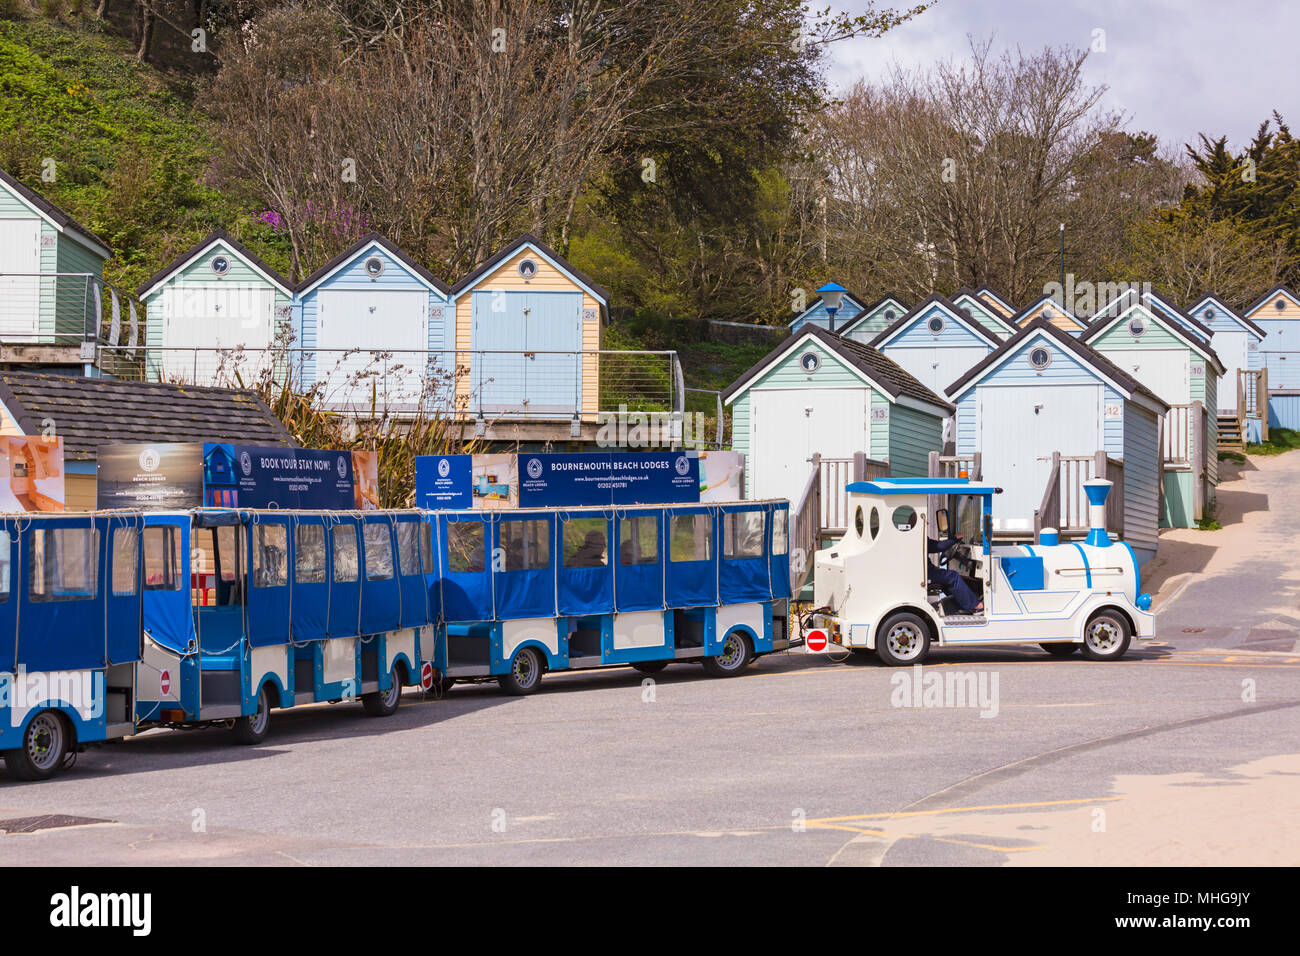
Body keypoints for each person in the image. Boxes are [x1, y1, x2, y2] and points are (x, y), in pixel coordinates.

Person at [928, 533, 982, 614]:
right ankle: (975, 606)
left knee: (946, 578)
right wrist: (954, 539)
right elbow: (938, 546)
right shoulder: (918, 536)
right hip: (926, 573)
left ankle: (961, 603)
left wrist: (932, 567)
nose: (927, 523)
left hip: (924, 571)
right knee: (953, 577)